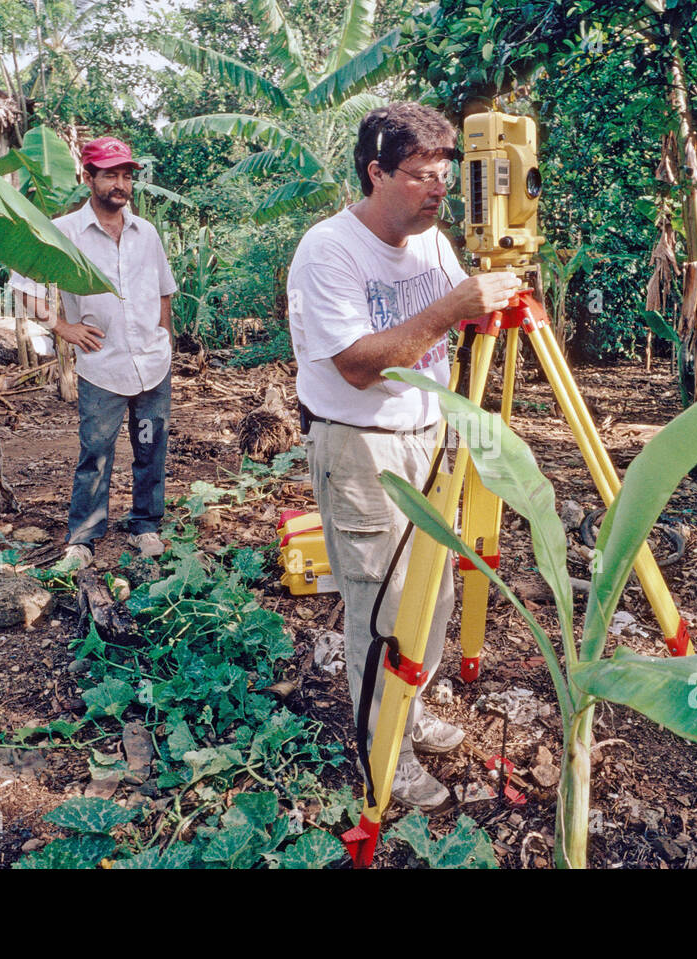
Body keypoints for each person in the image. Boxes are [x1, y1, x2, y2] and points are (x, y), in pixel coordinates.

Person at [287, 103, 520, 808]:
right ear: (376, 172)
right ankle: (379, 749)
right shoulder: (329, 250)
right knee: (382, 607)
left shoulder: (434, 241)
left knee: (433, 595)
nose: (437, 190)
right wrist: (456, 307)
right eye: (419, 176)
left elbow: (459, 325)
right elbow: (360, 364)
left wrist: (484, 303)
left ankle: (408, 716)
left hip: (431, 440)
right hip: (362, 447)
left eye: (444, 176)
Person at [12, 136, 178, 569]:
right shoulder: (64, 232)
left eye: (126, 176)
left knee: (150, 447)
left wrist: (165, 337)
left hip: (152, 365)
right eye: (110, 175)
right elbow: (22, 288)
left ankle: (145, 524)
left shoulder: (146, 233)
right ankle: (84, 535)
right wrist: (64, 327)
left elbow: (164, 290)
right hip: (103, 369)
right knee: (96, 453)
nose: (120, 184)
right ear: (89, 178)